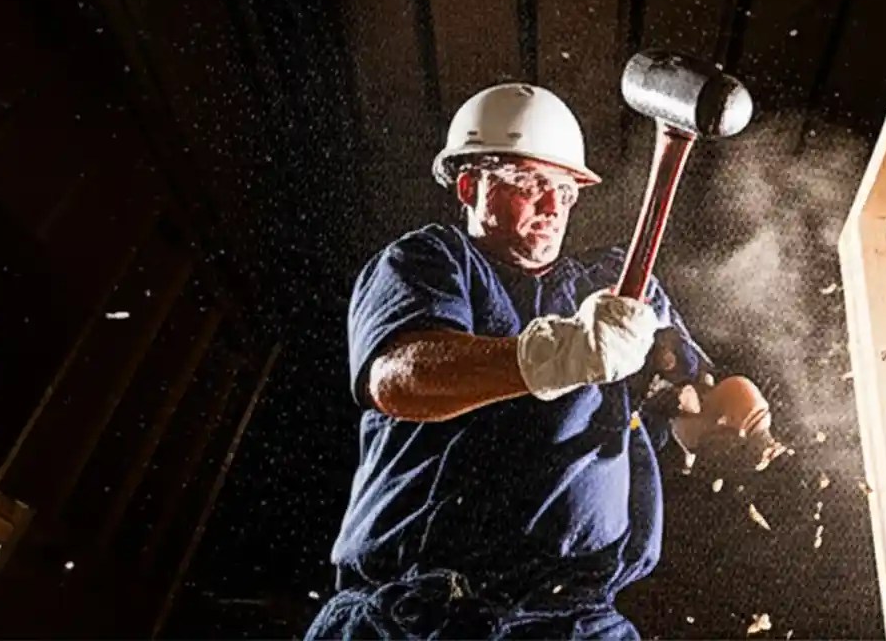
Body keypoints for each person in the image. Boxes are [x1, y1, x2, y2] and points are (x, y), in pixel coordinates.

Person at [306, 83, 778, 640]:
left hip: (580, 622)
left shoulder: (616, 285)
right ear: (469, 184)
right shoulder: (432, 260)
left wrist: (720, 414)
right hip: (421, 613)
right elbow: (402, 379)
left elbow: (686, 412)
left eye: (566, 190)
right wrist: (563, 354)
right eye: (530, 184)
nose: (554, 206)